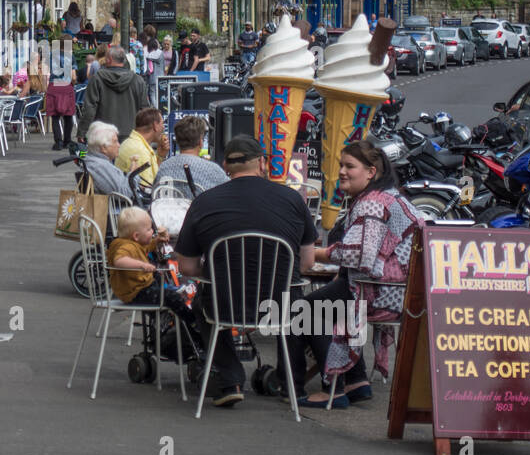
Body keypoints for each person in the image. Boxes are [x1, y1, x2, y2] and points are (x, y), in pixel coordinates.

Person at [173, 136, 316, 407]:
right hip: (279, 305)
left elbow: (187, 267)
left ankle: (230, 379)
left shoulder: (204, 201)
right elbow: (307, 263)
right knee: (302, 301)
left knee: (202, 303)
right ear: (262, 163)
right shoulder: (292, 199)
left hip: (225, 304)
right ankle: (290, 385)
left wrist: (220, 268)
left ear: (226, 166)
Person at [286, 141, 419, 408]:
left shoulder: (371, 203)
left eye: (350, 166)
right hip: (402, 290)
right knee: (337, 298)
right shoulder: (393, 196)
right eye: (341, 166)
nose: (342, 172)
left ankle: (332, 387)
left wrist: (319, 253)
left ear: (371, 172)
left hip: (381, 291)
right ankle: (356, 381)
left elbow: (362, 254)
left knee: (305, 310)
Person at [108, 207, 205, 343]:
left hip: (141, 288)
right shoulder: (125, 247)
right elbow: (119, 261)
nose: (152, 231)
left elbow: (146, 247)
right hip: (135, 293)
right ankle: (193, 321)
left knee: (157, 276)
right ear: (136, 236)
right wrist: (141, 265)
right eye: (149, 230)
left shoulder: (133, 243)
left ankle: (169, 291)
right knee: (170, 296)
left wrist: (157, 241)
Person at [76, 44, 149, 144]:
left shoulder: (97, 79)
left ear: (109, 59)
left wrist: (82, 131)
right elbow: (144, 109)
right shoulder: (138, 80)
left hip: (103, 135)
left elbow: (89, 108)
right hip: (130, 134)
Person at [156, 116, 228, 197]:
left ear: (177, 141)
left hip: (170, 209)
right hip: (200, 209)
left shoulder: (163, 168)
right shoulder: (214, 171)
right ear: (201, 142)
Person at [115, 107, 168, 187]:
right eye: (162, 123)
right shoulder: (140, 151)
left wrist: (160, 156)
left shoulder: (134, 143)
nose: (164, 127)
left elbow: (151, 179)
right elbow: (147, 190)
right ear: (155, 126)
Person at [82, 120, 133, 197]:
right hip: (114, 207)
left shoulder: (95, 162)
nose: (119, 145)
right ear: (104, 148)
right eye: (115, 141)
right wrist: (133, 174)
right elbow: (124, 194)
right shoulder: (99, 166)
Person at [45, 41, 77, 152]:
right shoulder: (71, 56)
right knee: (69, 115)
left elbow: (47, 71)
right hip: (66, 85)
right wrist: (73, 82)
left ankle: (58, 141)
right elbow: (73, 76)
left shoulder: (51, 55)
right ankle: (67, 141)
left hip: (54, 85)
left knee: (55, 116)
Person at [142, 25, 162, 106]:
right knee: (154, 93)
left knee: (151, 93)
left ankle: (154, 109)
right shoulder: (156, 43)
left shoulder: (148, 45)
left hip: (149, 73)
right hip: (157, 72)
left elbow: (147, 57)